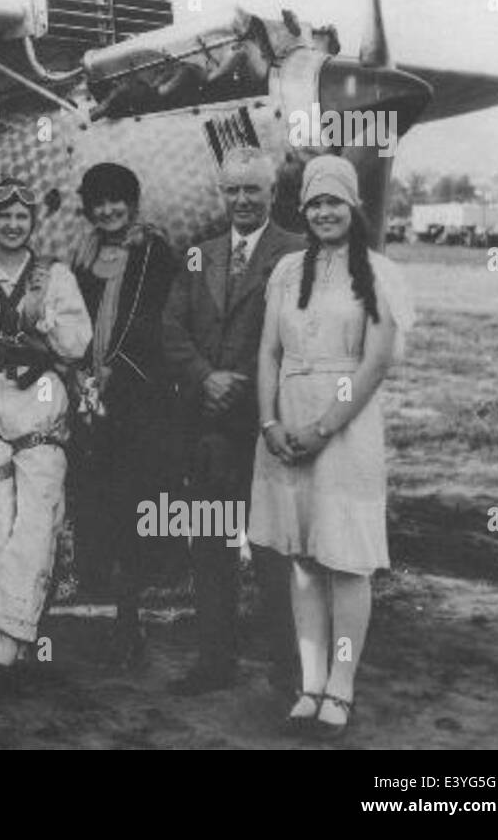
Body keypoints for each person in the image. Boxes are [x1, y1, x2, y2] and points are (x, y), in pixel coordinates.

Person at [248, 154, 413, 737]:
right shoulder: (289, 270)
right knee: (300, 559)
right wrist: (269, 424)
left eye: (333, 201)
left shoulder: (378, 271)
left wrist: (322, 429)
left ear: (353, 207)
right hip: (285, 425)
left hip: (345, 430)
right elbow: (269, 351)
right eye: (314, 202)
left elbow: (372, 366)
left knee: (346, 561)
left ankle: (341, 688)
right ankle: (310, 683)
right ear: (304, 208)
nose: (323, 211)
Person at [162, 146, 303, 695]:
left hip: (266, 427)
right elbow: (171, 327)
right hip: (209, 429)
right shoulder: (199, 255)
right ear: (221, 195)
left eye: (253, 189)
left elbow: (297, 334)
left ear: (272, 193)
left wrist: (240, 384)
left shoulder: (296, 253)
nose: (243, 199)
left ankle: (288, 672)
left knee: (273, 552)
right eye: (233, 190)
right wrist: (206, 378)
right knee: (211, 548)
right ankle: (214, 662)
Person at [0, 176, 92, 700]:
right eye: (3, 214)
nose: (12, 224)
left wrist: (43, 341)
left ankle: (3, 657)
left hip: (39, 413)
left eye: (21, 216)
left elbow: (77, 340)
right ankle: (11, 636)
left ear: (32, 222)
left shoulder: (52, 275)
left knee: (34, 533)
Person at [67, 162, 177, 667]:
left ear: (132, 202)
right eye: (99, 203)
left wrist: (119, 370)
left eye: (117, 201)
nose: (108, 210)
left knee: (132, 504)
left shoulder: (154, 250)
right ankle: (97, 610)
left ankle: (130, 620)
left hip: (136, 397)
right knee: (92, 504)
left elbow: (158, 322)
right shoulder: (82, 255)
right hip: (86, 393)